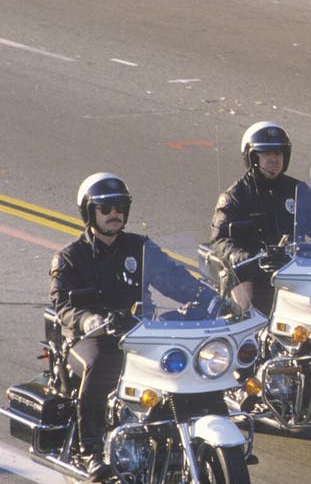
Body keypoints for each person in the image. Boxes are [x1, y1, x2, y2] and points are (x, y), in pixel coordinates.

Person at [50, 173, 204, 481]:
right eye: (105, 208)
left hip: (139, 331)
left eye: (120, 206)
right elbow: (63, 306)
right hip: (90, 337)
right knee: (102, 363)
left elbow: (176, 279)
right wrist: (88, 320)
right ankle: (90, 448)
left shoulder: (140, 247)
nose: (114, 214)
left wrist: (211, 297)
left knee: (183, 358)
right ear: (89, 212)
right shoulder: (70, 257)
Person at [210, 121, 311, 316]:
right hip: (253, 270)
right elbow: (220, 240)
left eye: (278, 154)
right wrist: (242, 257)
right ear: (253, 158)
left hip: (293, 266)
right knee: (247, 311)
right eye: (267, 154)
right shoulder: (236, 196)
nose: (274, 160)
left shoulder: (297, 191)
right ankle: (246, 338)